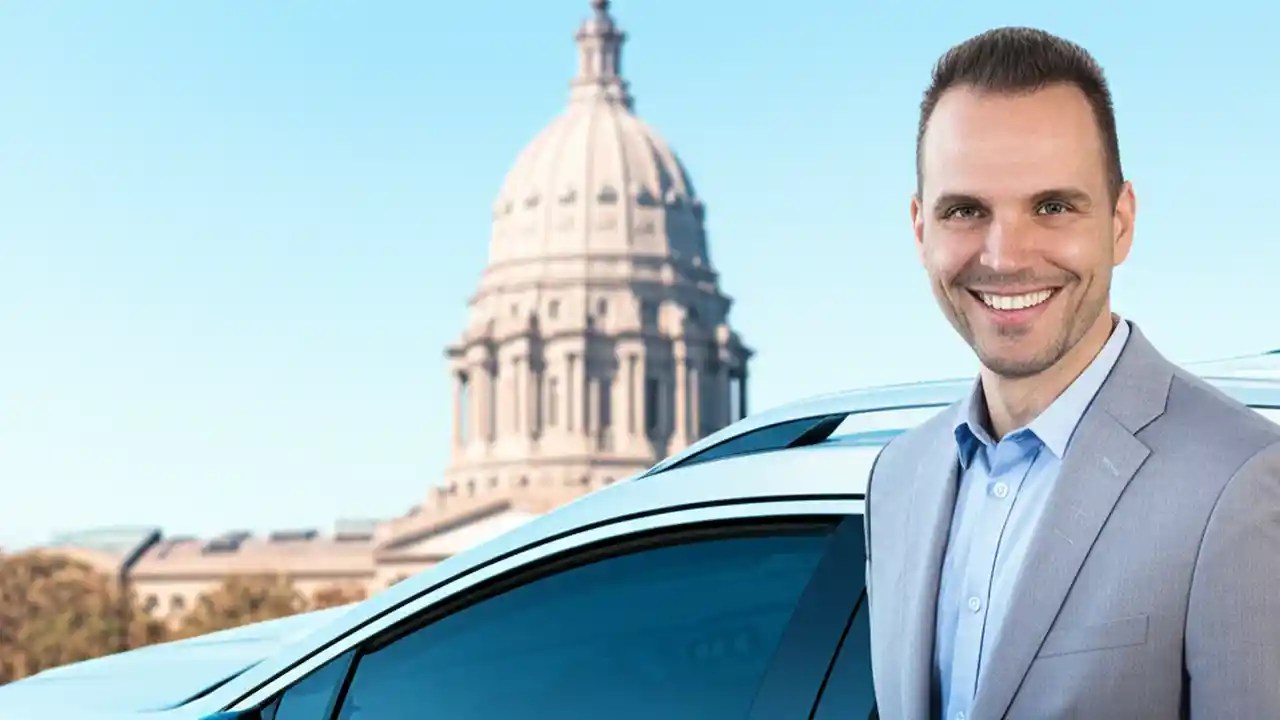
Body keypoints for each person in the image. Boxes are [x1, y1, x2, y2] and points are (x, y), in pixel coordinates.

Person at [862, 26, 1280, 720]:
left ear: (1120, 223)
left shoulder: (1239, 484)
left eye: (1053, 206)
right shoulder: (897, 479)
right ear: (920, 230)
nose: (1005, 256)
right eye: (966, 210)